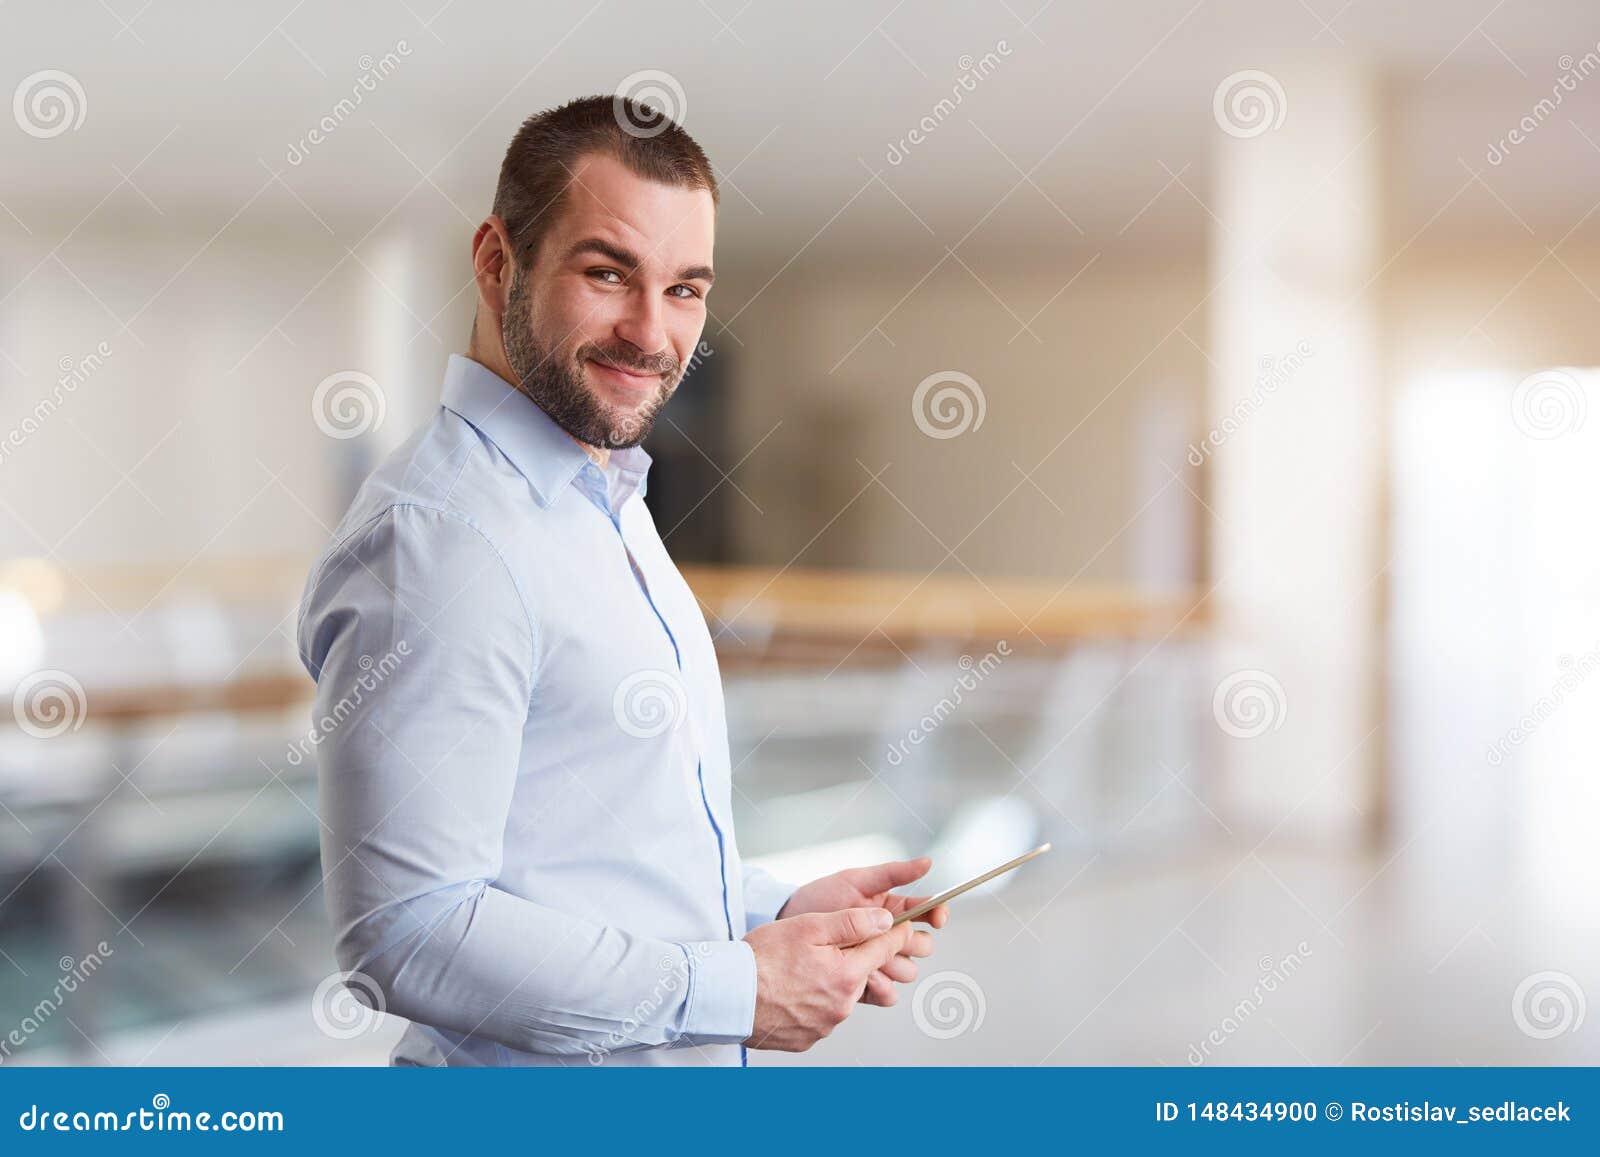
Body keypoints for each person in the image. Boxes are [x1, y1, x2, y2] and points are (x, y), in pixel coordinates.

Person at [296, 94, 948, 1067]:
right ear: (496, 261)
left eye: (685, 288)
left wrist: (771, 913)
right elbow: (408, 930)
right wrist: (739, 988)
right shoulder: (441, 539)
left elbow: (592, 853)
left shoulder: (602, 488)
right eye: (608, 273)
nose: (651, 332)